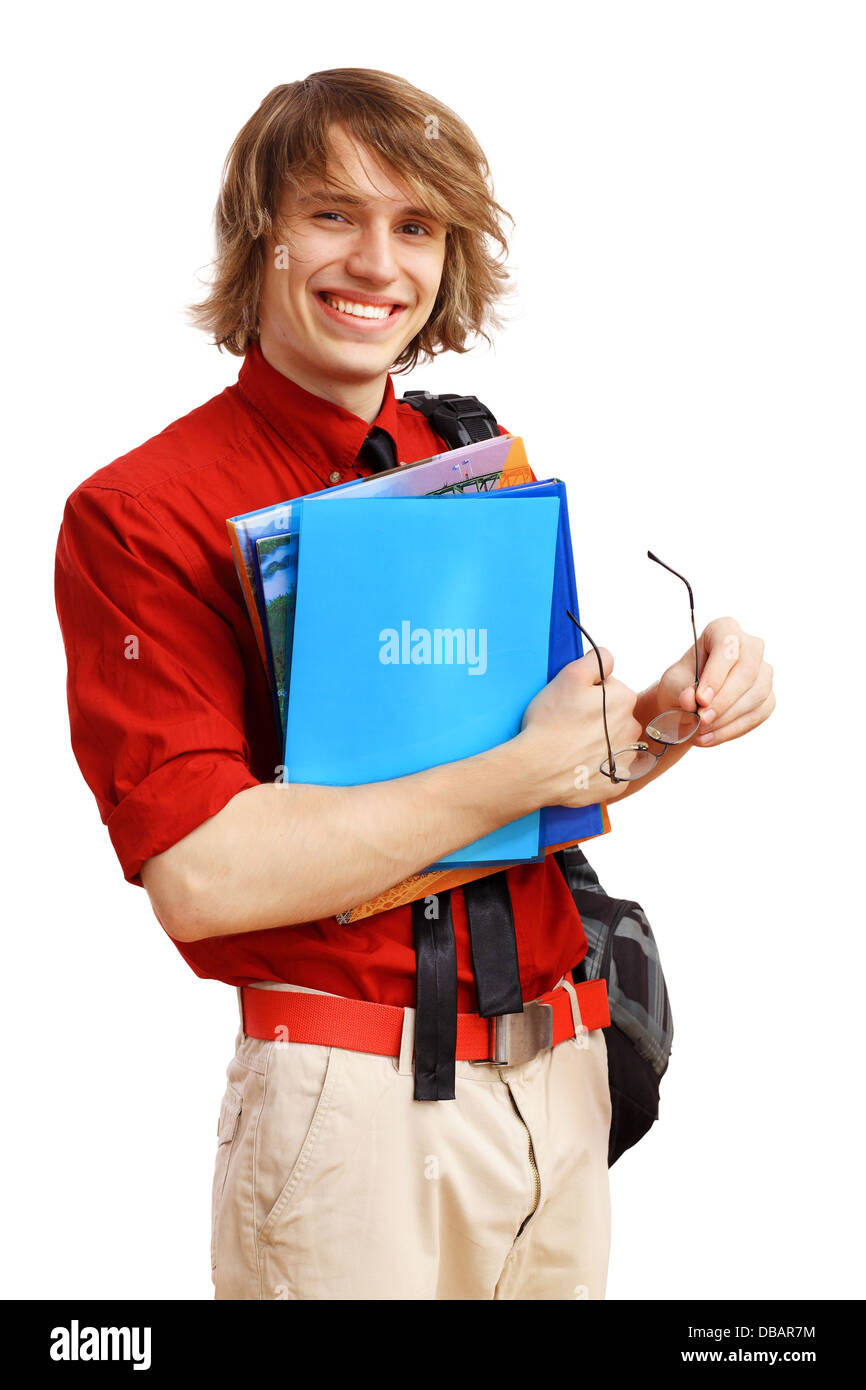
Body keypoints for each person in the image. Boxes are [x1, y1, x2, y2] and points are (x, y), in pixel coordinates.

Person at [54, 69, 775, 1301]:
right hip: (354, 1111)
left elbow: (541, 786)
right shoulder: (140, 511)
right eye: (333, 213)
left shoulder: (466, 453)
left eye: (416, 226)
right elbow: (201, 874)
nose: (375, 262)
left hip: (559, 1083)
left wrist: (664, 713)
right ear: (262, 233)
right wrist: (524, 764)